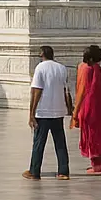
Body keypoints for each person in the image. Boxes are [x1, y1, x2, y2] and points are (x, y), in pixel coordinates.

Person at [22, 45, 73, 181]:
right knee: (60, 142)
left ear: (42, 54)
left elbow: (37, 91)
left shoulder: (40, 68)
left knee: (39, 142)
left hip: (43, 112)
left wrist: (31, 113)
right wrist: (70, 108)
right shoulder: (61, 68)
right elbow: (66, 91)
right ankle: (63, 171)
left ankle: (34, 171)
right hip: (58, 111)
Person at [72, 45, 101, 175]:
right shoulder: (97, 68)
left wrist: (76, 111)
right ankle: (100, 163)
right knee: (96, 133)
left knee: (91, 134)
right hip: (98, 106)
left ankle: (98, 166)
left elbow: (83, 90)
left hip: (89, 106)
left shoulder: (88, 69)